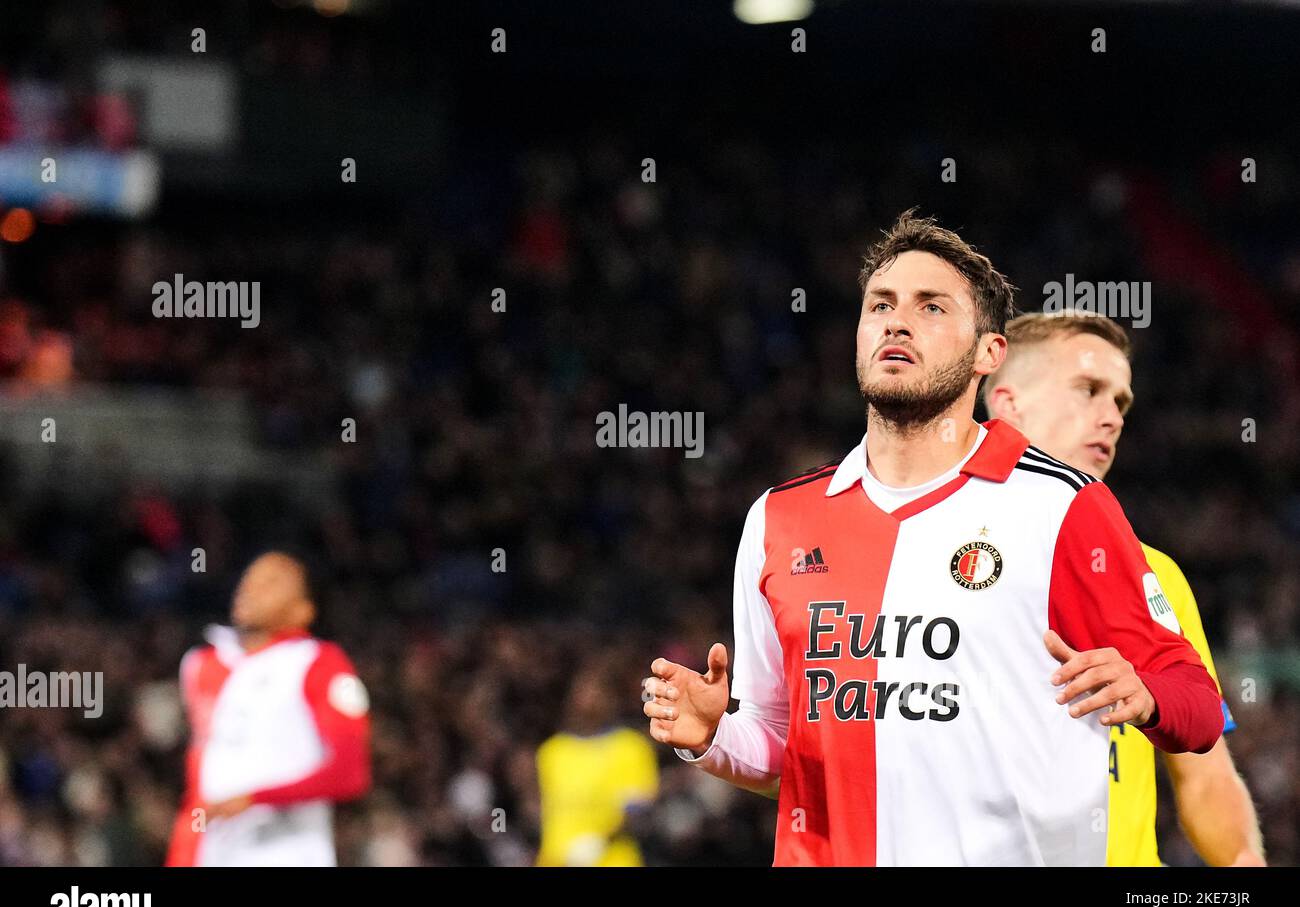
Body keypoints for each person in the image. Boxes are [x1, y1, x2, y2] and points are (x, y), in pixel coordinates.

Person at [641, 210, 1223, 866]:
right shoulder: (778, 519)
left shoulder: (1064, 506)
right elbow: (787, 749)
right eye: (880, 305)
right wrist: (713, 736)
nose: (897, 321)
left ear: (988, 354)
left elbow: (1197, 704)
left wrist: (1146, 693)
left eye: (932, 308)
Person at [982, 309, 1264, 866]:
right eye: (1089, 390)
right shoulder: (929, 551)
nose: (1112, 417)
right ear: (1008, 404)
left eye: (1121, 402)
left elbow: (1205, 777)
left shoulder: (1153, 570)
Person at [165, 551, 372, 866]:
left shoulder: (318, 662)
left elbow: (350, 773)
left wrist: (254, 799)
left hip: (287, 855)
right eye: (248, 579)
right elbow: (201, 785)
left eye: (272, 583)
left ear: (303, 610)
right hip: (219, 855)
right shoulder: (212, 668)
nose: (250, 588)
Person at [536, 663, 659, 866]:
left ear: (611, 699)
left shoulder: (631, 747)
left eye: (597, 691)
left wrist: (599, 842)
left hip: (613, 861)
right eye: (582, 690)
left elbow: (639, 809)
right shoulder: (551, 751)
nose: (588, 699)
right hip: (556, 860)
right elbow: (545, 810)